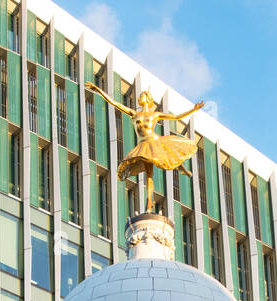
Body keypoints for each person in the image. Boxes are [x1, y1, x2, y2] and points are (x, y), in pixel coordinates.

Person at [86, 83, 205, 213]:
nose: (140, 97)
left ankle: (183, 170)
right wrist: (98, 90)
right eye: (140, 96)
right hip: (143, 145)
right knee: (149, 175)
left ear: (147, 98)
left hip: (154, 141)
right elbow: (115, 103)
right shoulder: (134, 113)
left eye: (143, 95)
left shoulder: (155, 115)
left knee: (169, 155)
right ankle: (149, 204)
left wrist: (194, 109)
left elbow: (176, 117)